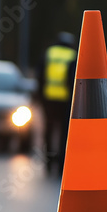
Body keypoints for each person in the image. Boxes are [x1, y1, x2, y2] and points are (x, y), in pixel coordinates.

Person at [38, 32, 78, 175]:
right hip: (66, 100)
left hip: (48, 99)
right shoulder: (73, 55)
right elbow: (74, 80)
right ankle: (61, 166)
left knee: (48, 131)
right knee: (64, 133)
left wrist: (39, 98)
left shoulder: (49, 53)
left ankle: (48, 164)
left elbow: (40, 76)